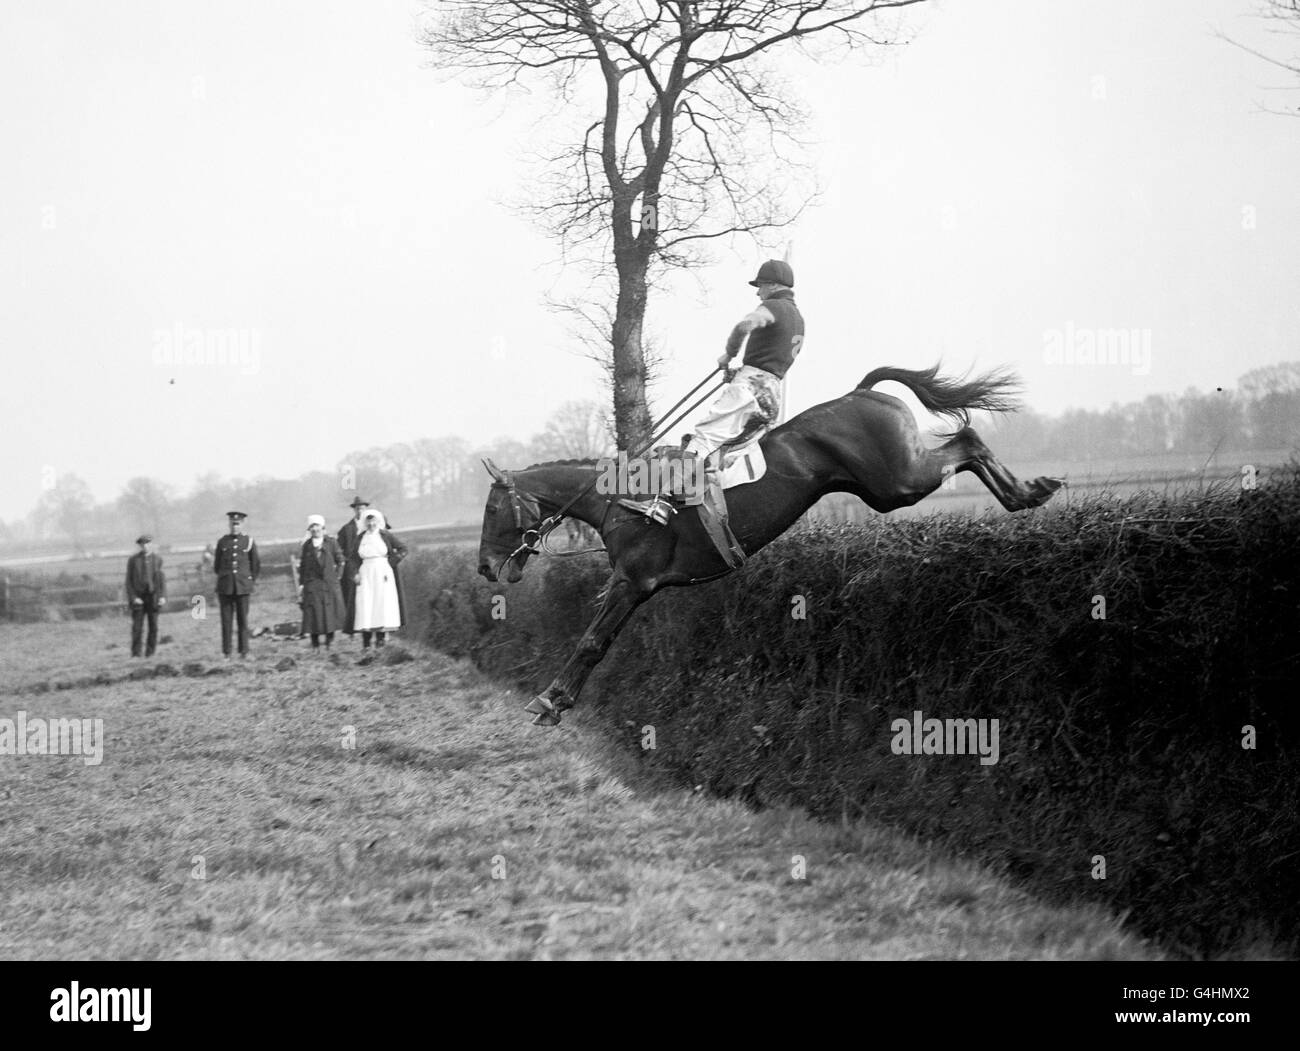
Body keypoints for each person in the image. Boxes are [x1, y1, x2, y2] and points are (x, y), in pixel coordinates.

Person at [345, 509, 407, 652]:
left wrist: (390, 563)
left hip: (383, 573)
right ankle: (366, 644)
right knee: (366, 604)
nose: (371, 524)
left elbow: (403, 548)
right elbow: (353, 559)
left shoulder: (385, 535)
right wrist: (354, 573)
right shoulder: (360, 538)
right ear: (364, 523)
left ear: (378, 521)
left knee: (381, 603)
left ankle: (380, 642)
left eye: (373, 521)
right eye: (368, 521)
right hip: (366, 573)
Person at [213, 511, 260, 658]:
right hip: (225, 587)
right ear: (229, 524)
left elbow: (255, 565)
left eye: (237, 523)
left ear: (242, 524)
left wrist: (248, 580)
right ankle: (227, 653)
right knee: (226, 622)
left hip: (243, 587)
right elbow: (217, 566)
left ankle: (243, 652)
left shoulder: (249, 541)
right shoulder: (222, 542)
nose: (235, 526)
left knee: (243, 621)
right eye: (232, 524)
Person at [297, 514, 346, 652]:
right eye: (312, 527)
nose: (315, 529)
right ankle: (315, 645)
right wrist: (302, 585)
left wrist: (337, 577)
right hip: (312, 585)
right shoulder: (307, 545)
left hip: (328, 584)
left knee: (329, 614)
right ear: (309, 529)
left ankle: (329, 643)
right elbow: (303, 567)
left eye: (317, 526)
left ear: (322, 527)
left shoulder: (331, 542)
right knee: (313, 615)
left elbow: (341, 560)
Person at [124, 534, 166, 657]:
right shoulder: (133, 560)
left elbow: (161, 579)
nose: (145, 546)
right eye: (143, 544)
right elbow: (128, 581)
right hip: (138, 598)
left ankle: (150, 652)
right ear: (140, 546)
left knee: (153, 626)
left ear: (151, 545)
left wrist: (162, 596)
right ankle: (136, 653)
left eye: (147, 544)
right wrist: (133, 597)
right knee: (137, 627)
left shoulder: (157, 559)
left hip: (153, 597)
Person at [336, 496, 369, 635]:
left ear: (366, 509)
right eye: (357, 509)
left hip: (369, 565)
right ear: (354, 510)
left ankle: (369, 623)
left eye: (362, 508)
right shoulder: (346, 529)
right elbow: (339, 550)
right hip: (352, 567)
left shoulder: (372, 526)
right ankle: (354, 625)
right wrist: (346, 565)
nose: (360, 511)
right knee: (352, 596)